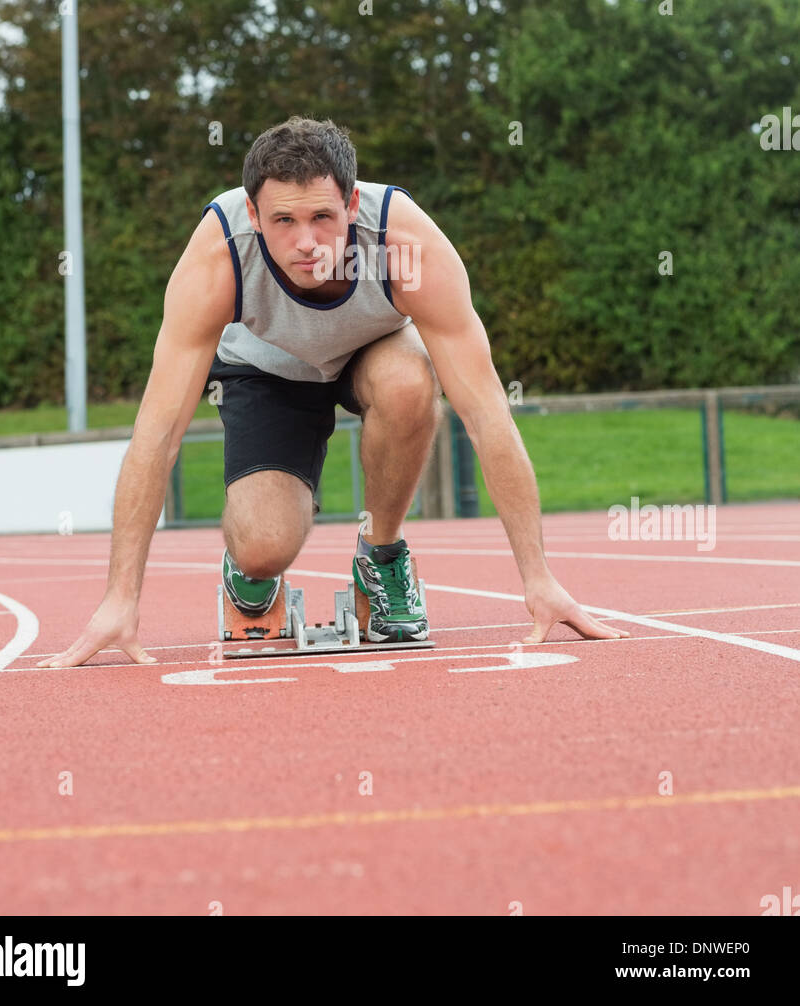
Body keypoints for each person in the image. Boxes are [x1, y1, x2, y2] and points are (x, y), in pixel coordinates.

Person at [39, 116, 629, 668]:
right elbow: (158, 432)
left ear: (351, 202)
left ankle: (382, 557)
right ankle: (249, 576)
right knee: (263, 543)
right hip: (267, 371)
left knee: (408, 381)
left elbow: (485, 415)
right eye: (283, 221)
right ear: (252, 212)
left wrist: (539, 577)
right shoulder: (219, 256)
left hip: (372, 352)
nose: (306, 242)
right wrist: (120, 598)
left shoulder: (405, 244)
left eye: (323, 216)